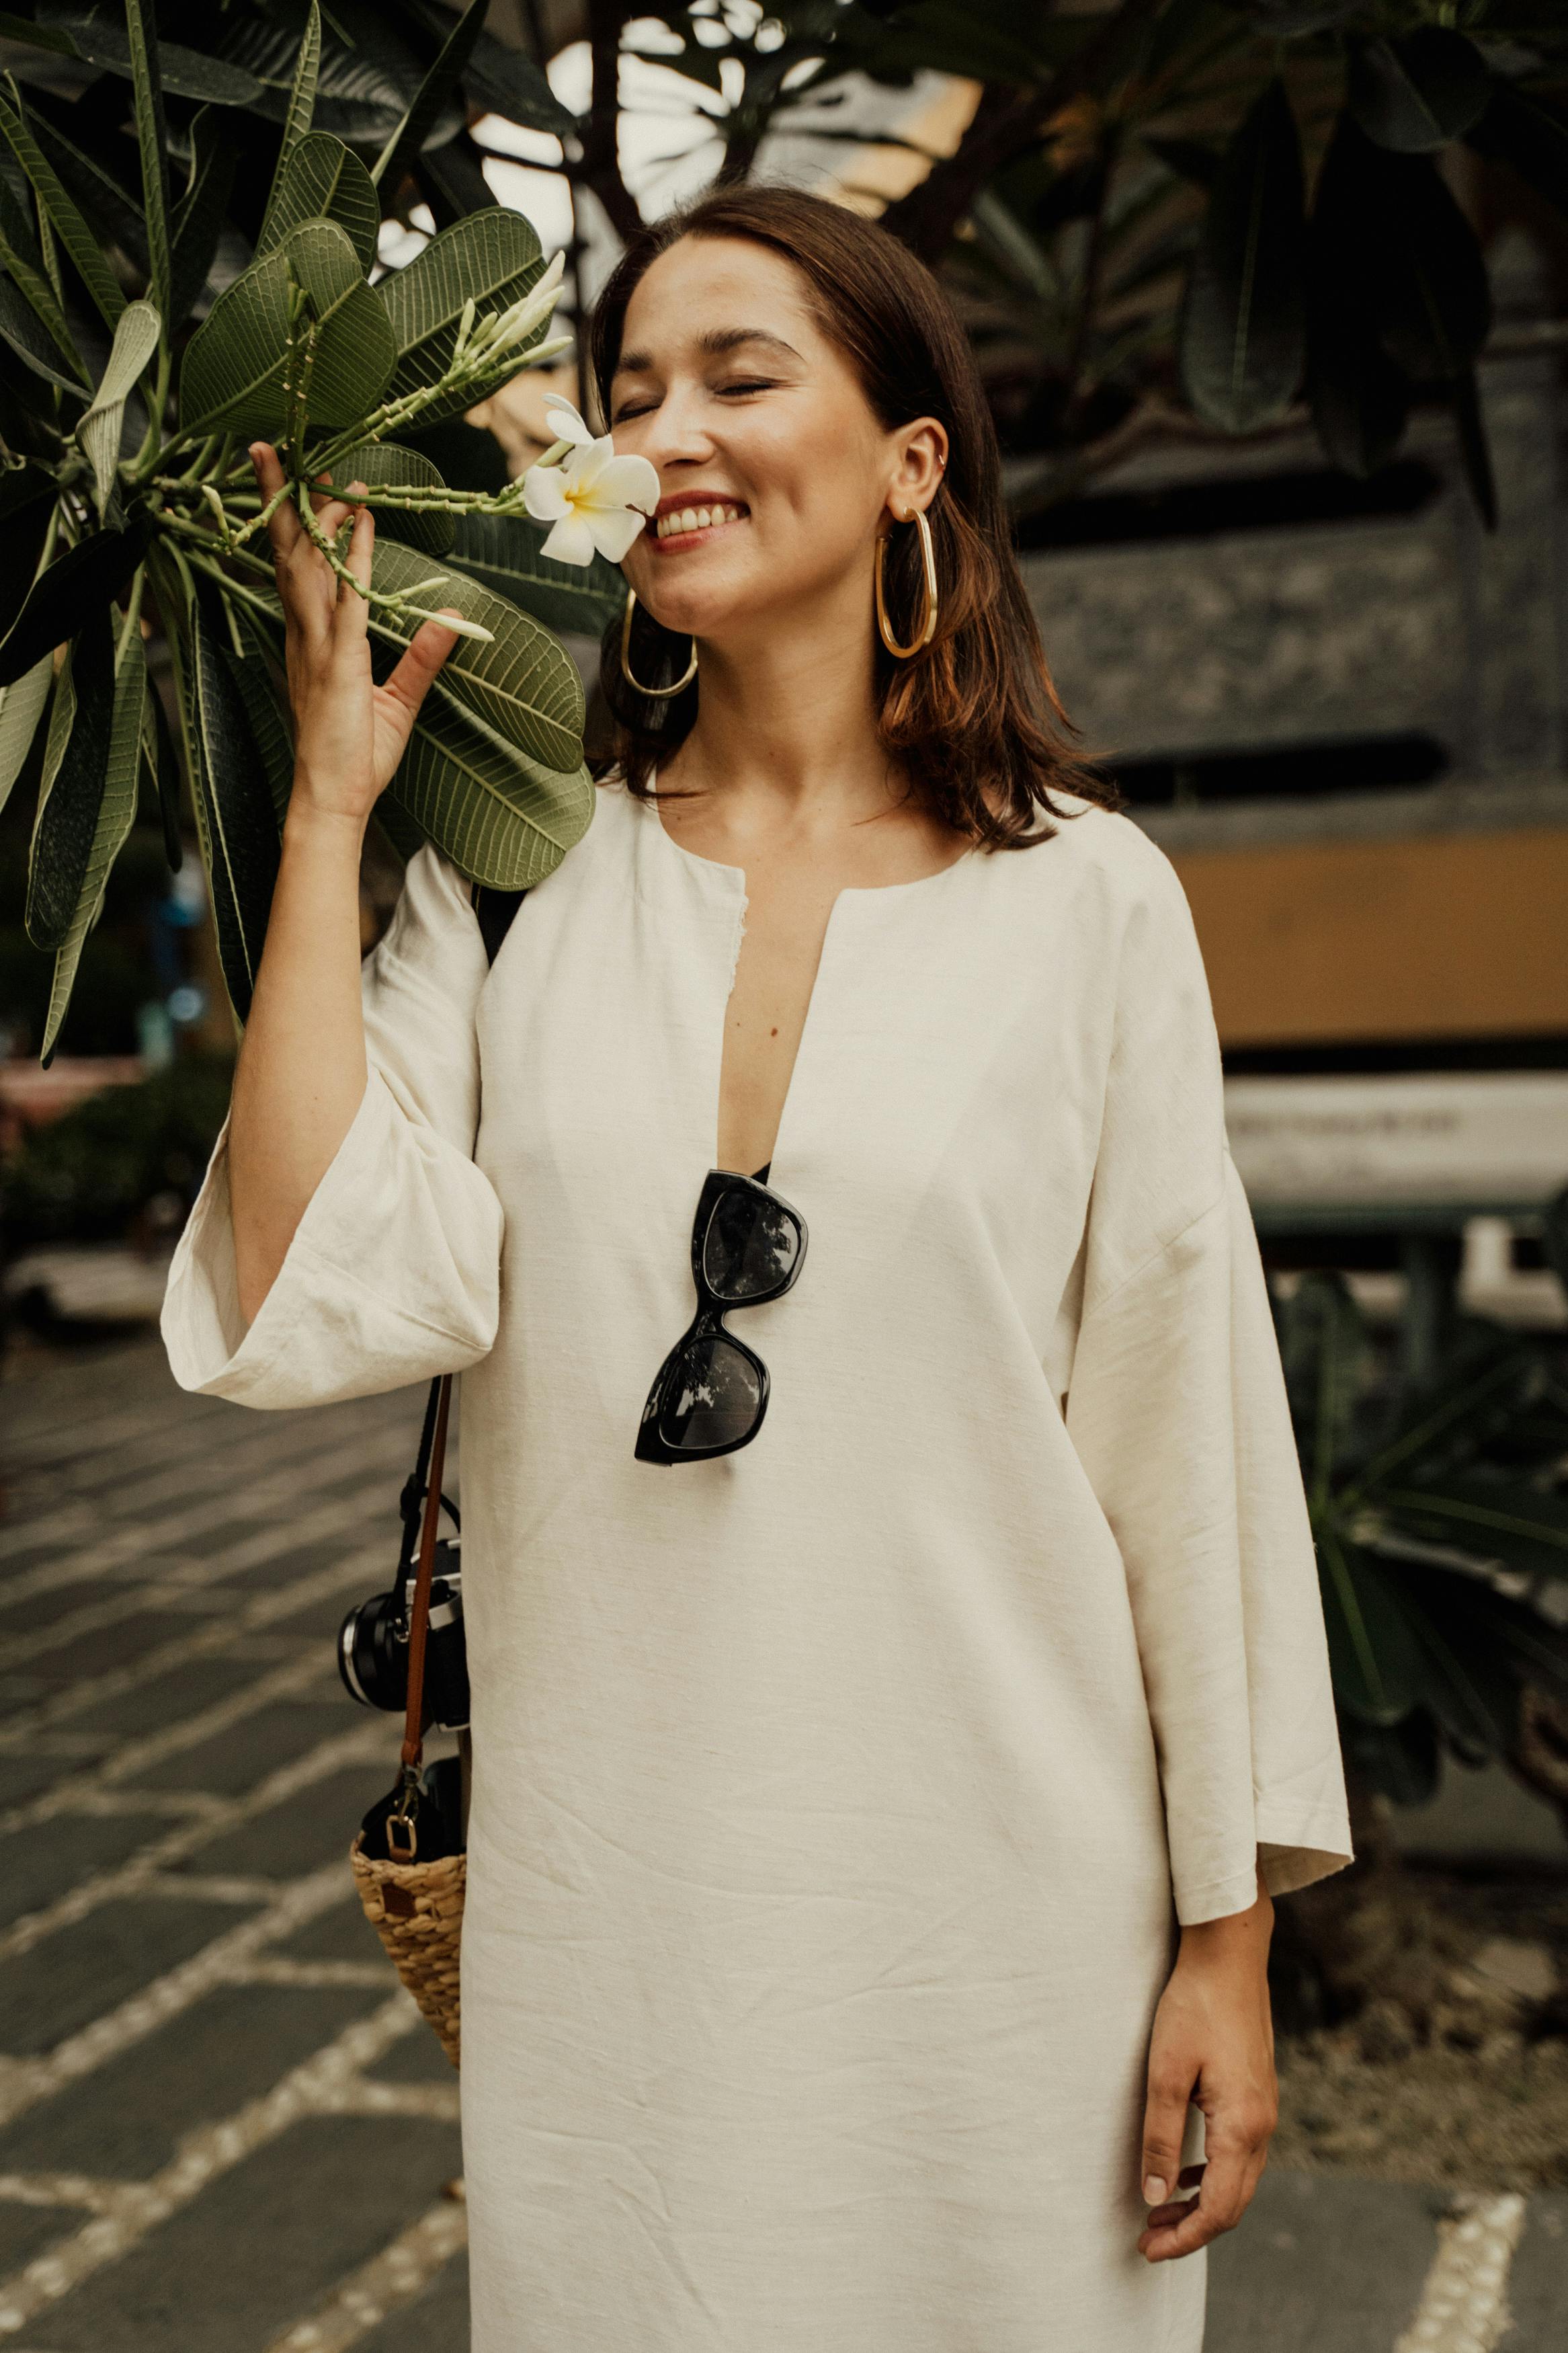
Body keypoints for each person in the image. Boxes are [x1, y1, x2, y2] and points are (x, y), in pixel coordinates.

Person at [163, 184, 1351, 2352]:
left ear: (911, 461)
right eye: (630, 394)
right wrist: (333, 813)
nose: (667, 433)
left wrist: (1227, 1940)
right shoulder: (515, 884)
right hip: (619, 1925)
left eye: (739, 375)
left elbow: (1188, 1436)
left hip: (1005, 1932)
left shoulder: (1087, 902)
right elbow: (317, 1277)